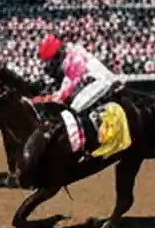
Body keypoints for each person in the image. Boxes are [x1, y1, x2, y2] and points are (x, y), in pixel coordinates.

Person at [23, 34, 124, 172]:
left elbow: (63, 93)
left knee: (75, 108)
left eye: (51, 60)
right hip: (90, 81)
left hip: (103, 82)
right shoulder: (67, 55)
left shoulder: (74, 60)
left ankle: (89, 147)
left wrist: (38, 100)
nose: (49, 64)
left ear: (58, 54)